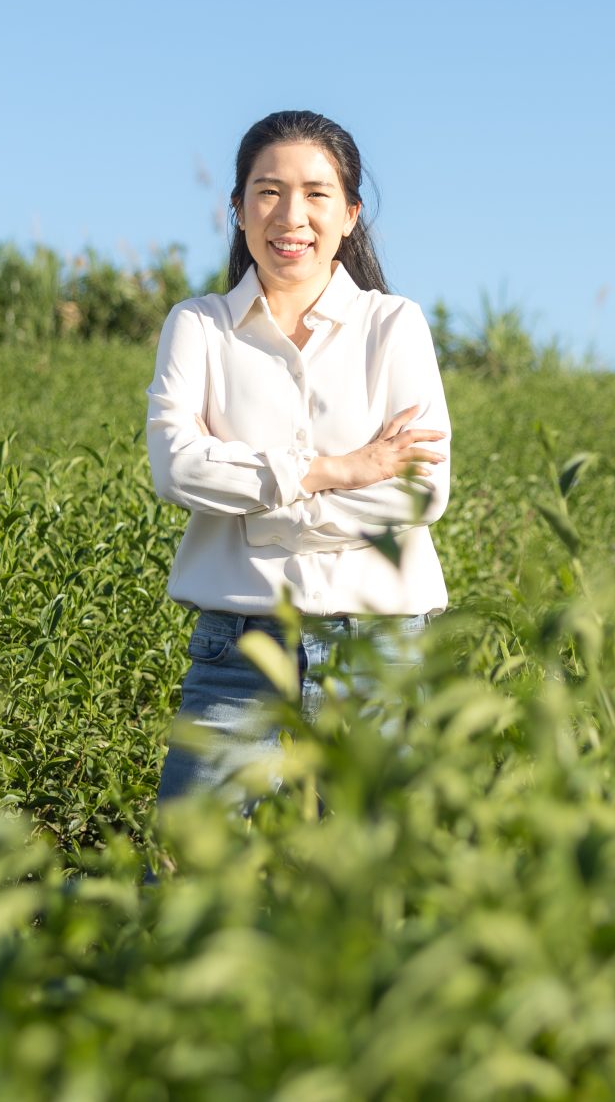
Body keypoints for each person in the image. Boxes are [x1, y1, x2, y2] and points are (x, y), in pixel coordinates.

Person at [146, 110, 452, 820]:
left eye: (317, 193)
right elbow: (176, 471)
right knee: (186, 879)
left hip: (379, 649)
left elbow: (420, 494)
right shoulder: (198, 327)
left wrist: (255, 508)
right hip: (239, 652)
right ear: (237, 209)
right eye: (268, 190)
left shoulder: (394, 324)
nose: (292, 215)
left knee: (374, 897)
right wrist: (337, 470)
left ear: (350, 214)